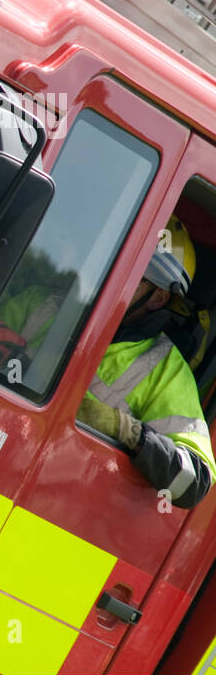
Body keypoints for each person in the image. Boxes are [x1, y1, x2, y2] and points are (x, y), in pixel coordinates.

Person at [71, 218, 213, 508]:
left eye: (133, 271)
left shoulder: (167, 371)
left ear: (159, 296)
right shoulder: (51, 305)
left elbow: (194, 481)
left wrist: (128, 431)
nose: (113, 274)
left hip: (75, 497)